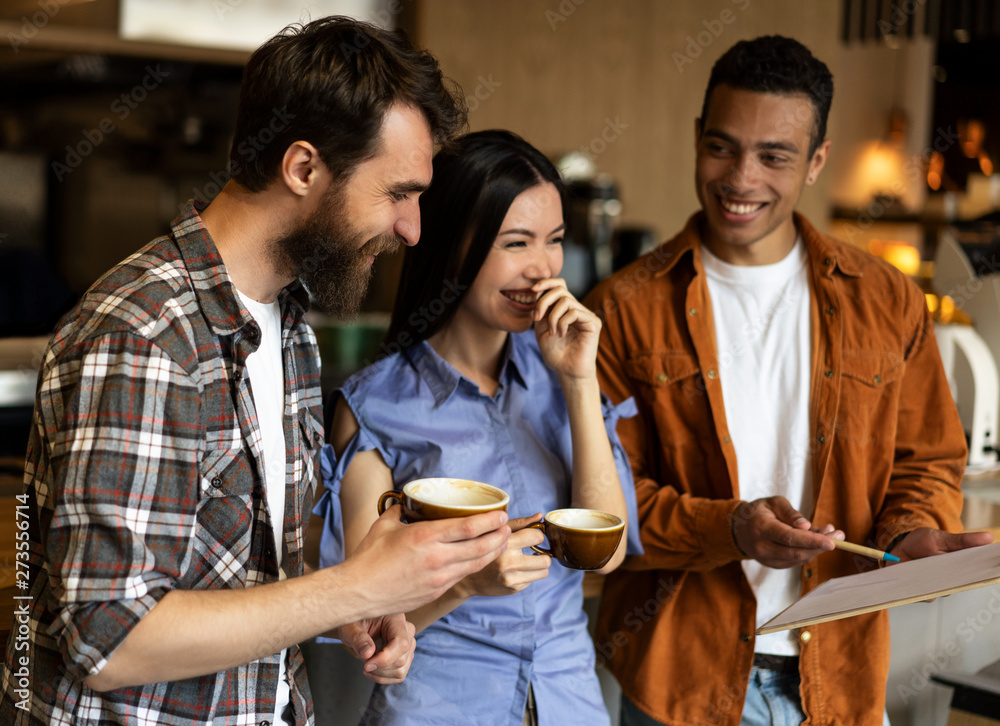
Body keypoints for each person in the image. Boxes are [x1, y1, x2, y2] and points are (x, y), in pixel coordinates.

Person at [0, 17, 513, 726]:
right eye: (398, 193)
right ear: (302, 169)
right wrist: (354, 590)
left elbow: (245, 574)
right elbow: (109, 640)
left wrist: (355, 606)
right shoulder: (148, 334)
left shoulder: (289, 327)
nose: (412, 229)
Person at [583, 35, 993, 726]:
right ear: (697, 137)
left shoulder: (888, 300)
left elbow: (925, 462)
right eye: (722, 147)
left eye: (774, 156)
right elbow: (606, 511)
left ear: (817, 161)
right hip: (681, 682)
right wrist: (731, 528)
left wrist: (911, 536)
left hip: (841, 680)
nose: (741, 178)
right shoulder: (622, 309)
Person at [312, 129, 643, 726]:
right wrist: (466, 584)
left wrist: (578, 381)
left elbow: (607, 552)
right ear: (450, 246)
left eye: (555, 240)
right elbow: (361, 616)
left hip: (571, 703)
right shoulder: (375, 406)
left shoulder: (562, 376)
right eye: (515, 242)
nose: (542, 268)